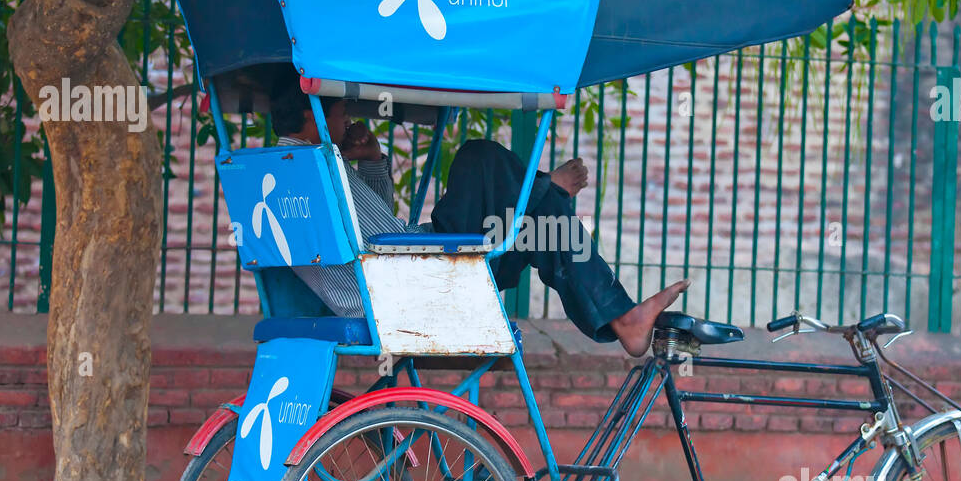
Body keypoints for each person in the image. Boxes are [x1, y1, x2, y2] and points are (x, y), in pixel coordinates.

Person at [269, 87, 688, 356]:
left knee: (522, 205)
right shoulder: (318, 169)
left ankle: (551, 203)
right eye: (340, 113)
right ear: (312, 117)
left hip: (392, 270)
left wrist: (374, 161)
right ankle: (616, 308)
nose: (346, 123)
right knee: (483, 160)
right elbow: (382, 238)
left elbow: (373, 229)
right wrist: (546, 189)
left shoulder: (291, 170)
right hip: (409, 278)